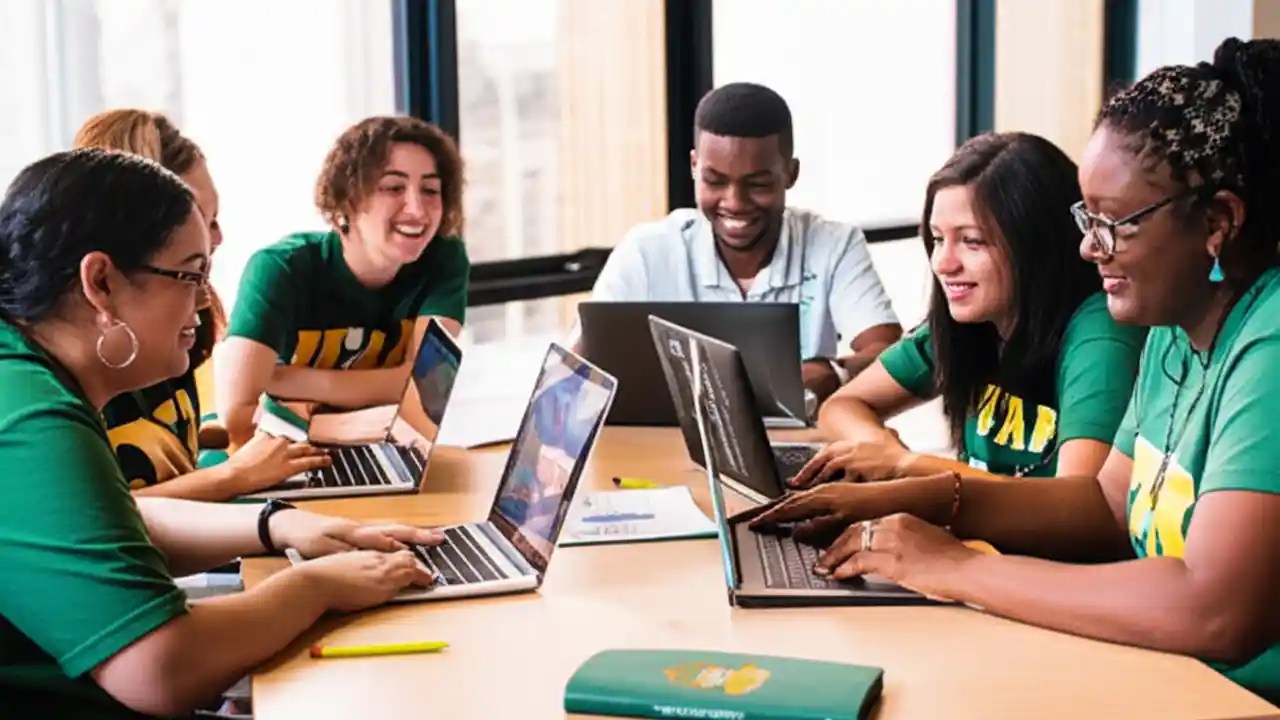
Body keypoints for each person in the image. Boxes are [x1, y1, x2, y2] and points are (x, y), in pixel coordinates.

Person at [750, 38, 1280, 702]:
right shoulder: (1176, 322)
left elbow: (1215, 611)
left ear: (1219, 221)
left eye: (1116, 223)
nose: (1091, 248)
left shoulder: (1270, 342)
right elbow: (1106, 504)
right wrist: (917, 498)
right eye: (1088, 219)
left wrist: (958, 568)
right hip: (1162, 678)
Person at [0, 148, 442, 717]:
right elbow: (160, 671)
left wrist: (275, 523)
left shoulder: (26, 377)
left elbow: (108, 526)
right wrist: (316, 587)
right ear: (101, 283)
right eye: (191, 274)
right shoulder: (29, 416)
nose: (205, 302)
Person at [795, 132, 1146, 485]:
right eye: (937, 239)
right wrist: (878, 447)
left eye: (972, 242)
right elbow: (841, 406)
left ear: (1037, 246)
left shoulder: (1100, 334)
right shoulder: (971, 322)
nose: (943, 264)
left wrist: (907, 465)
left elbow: (1077, 504)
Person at [587, 82, 902, 402]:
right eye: (715, 181)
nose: (734, 202)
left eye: (758, 184)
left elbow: (889, 353)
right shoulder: (646, 251)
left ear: (790, 174)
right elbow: (582, 364)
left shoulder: (833, 245)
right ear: (695, 167)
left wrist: (834, 373)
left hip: (801, 444)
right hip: (666, 445)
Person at [74, 109, 329, 500]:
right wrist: (236, 475)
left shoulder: (178, 325)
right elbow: (99, 520)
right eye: (201, 220)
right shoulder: (68, 367)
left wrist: (270, 440)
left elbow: (176, 442)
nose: (217, 237)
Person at [215, 115, 470, 448]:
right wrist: (337, 427)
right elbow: (237, 417)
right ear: (346, 199)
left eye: (430, 190)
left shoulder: (443, 259)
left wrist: (282, 381)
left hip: (382, 451)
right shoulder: (280, 269)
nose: (418, 210)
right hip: (275, 460)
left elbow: (426, 387)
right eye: (393, 187)